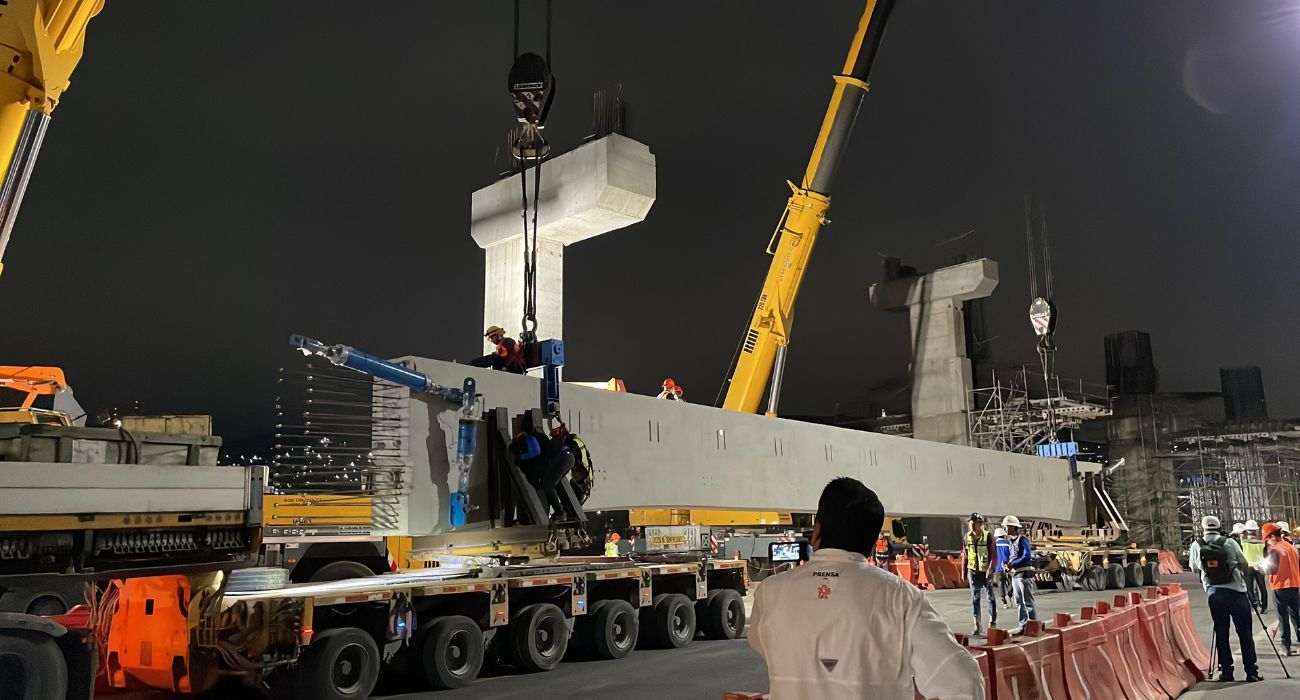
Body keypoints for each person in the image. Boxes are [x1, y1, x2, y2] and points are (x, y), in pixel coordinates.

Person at [748, 477, 984, 700]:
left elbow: (763, 644)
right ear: (872, 543)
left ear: (817, 530)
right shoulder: (899, 596)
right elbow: (963, 682)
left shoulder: (770, 593)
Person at [1189, 515, 1260, 682]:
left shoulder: (1196, 545)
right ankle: (1251, 672)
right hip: (1236, 592)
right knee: (1245, 633)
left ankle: (1226, 671)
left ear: (1203, 528)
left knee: (1221, 633)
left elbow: (1194, 568)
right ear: (1219, 526)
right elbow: (1244, 564)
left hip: (1214, 594)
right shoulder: (1230, 542)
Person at [1262, 522, 1300, 657]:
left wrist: (1259, 568)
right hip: (1295, 585)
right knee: (1297, 616)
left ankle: (1285, 646)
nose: (1268, 542)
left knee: (1283, 618)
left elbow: (1270, 569)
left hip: (1280, 587)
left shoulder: (1275, 550)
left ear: (1272, 536)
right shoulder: (1292, 548)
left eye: (1267, 538)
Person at [960, 513, 998, 635]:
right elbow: (965, 555)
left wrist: (991, 569)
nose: (971, 525)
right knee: (975, 598)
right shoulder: (967, 537)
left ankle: (992, 622)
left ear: (979, 524)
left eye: (974, 523)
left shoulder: (988, 537)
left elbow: (994, 555)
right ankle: (977, 624)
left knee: (990, 597)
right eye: (970, 523)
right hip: (973, 572)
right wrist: (964, 572)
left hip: (986, 572)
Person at [1002, 515, 1036, 630]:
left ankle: (1033, 627)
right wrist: (1007, 564)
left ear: (1012, 527)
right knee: (1019, 603)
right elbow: (1013, 557)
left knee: (1028, 603)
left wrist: (1013, 564)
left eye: (1006, 526)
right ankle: (1023, 626)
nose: (1005, 529)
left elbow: (1026, 556)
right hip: (1016, 576)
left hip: (1025, 576)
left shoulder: (1022, 540)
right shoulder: (1011, 541)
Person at [1242, 520, 1268, 613]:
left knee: (1249, 588)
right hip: (1260, 566)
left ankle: (1254, 607)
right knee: (1262, 587)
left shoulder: (1242, 542)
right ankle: (1264, 607)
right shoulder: (1262, 542)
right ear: (1256, 530)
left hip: (1248, 567)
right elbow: (1266, 555)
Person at [994, 527, 1013, 609]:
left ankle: (1004, 601)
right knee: (1012, 581)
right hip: (1007, 567)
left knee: (1001, 584)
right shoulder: (1008, 544)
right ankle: (1009, 594)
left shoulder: (994, 545)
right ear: (1004, 535)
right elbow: (1012, 555)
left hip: (998, 567)